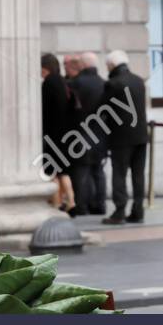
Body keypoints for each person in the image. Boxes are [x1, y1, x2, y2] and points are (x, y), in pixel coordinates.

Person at [102, 50, 148, 224]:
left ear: (113, 65)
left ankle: (119, 211)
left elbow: (102, 110)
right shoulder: (138, 81)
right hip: (141, 135)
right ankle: (138, 211)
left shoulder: (113, 83)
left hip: (121, 137)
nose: (107, 68)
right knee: (138, 174)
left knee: (119, 174)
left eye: (107, 65)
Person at [67, 51, 108, 217]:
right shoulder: (104, 83)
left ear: (82, 65)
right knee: (98, 170)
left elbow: (70, 111)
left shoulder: (75, 84)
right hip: (100, 134)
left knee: (81, 171)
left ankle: (82, 206)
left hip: (80, 133)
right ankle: (100, 205)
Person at [39, 53, 75, 212]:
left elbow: (45, 110)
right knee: (64, 172)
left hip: (52, 135)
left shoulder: (48, 83)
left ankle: (56, 203)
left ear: (44, 68)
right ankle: (71, 202)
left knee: (51, 172)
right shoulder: (63, 82)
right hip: (66, 134)